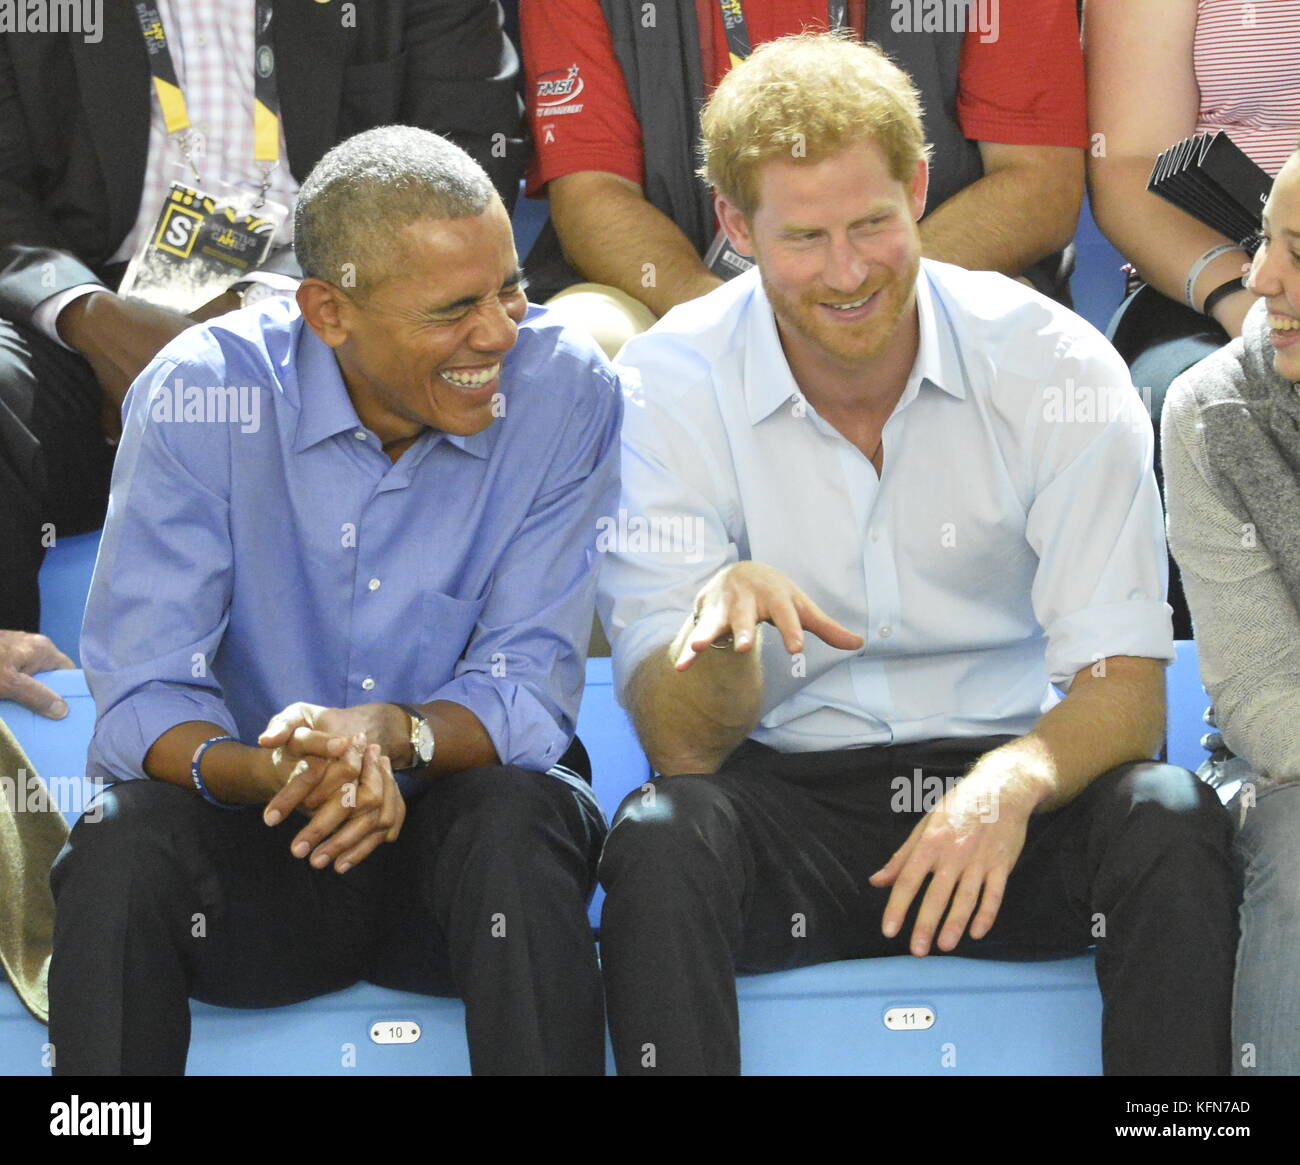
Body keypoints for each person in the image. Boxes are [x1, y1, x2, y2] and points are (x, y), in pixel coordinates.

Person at [594, 33, 1237, 1077]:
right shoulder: (665, 382)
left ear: (921, 185)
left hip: (1015, 793)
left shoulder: (1056, 364)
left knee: (1167, 818)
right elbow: (681, 749)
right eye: (802, 237)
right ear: (732, 225)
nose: (845, 274)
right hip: (789, 796)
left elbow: (1122, 693)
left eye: (871, 225)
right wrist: (723, 634)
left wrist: (1011, 781)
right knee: (663, 841)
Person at [46, 126, 622, 1076]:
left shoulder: (563, 387)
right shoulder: (201, 392)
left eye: (509, 288)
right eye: (454, 309)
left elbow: (529, 686)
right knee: (119, 849)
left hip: (459, 854)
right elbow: (144, 694)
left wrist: (391, 734)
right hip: (257, 834)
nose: (499, 333)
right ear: (328, 310)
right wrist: (280, 772)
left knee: (519, 820)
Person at [0, 0, 525, 712]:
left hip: (346, 306)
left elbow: (465, 159)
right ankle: (14, 696)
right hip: (90, 319)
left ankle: (460, 725)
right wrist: (88, 316)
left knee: (487, 352)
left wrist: (261, 303)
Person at [521, 0, 1087, 357]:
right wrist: (730, 319)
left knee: (1023, 343)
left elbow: (1038, 186)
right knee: (584, 340)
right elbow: (592, 194)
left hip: (917, 273)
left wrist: (867, 285)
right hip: (678, 291)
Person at [1084, 0, 1300, 636]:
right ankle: (1246, 702)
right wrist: (1257, 311)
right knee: (1202, 408)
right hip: (1224, 279)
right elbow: (1130, 163)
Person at [1163, 145, 1300, 1077]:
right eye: (1265, 240)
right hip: (1276, 766)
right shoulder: (1212, 410)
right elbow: (1261, 698)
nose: (1259, 278)